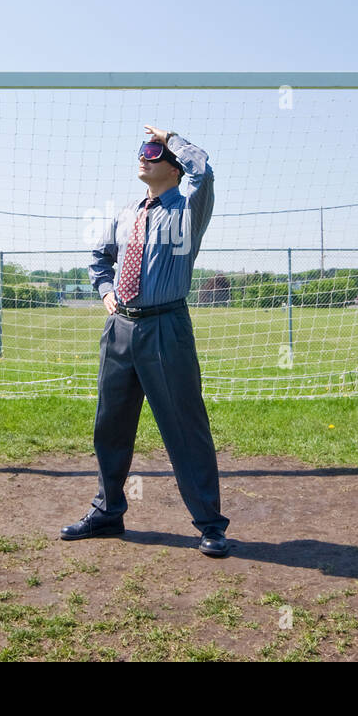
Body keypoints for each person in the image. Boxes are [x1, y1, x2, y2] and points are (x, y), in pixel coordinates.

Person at [61, 125, 230, 557]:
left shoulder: (188, 209)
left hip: (165, 329)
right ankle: (107, 512)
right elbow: (99, 257)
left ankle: (210, 524)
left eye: (153, 152)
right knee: (109, 424)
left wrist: (172, 138)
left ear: (173, 167)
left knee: (184, 427)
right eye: (142, 150)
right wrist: (105, 293)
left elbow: (204, 171)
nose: (144, 156)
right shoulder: (126, 213)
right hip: (120, 329)